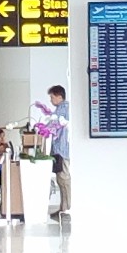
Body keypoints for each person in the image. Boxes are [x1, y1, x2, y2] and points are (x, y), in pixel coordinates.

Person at [43, 84, 72, 216]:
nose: (51, 100)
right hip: (61, 149)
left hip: (62, 149)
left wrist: (42, 128)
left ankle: (67, 207)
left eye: (52, 97)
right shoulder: (63, 108)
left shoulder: (62, 109)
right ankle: (64, 206)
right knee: (61, 179)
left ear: (59, 96)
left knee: (64, 178)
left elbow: (52, 126)